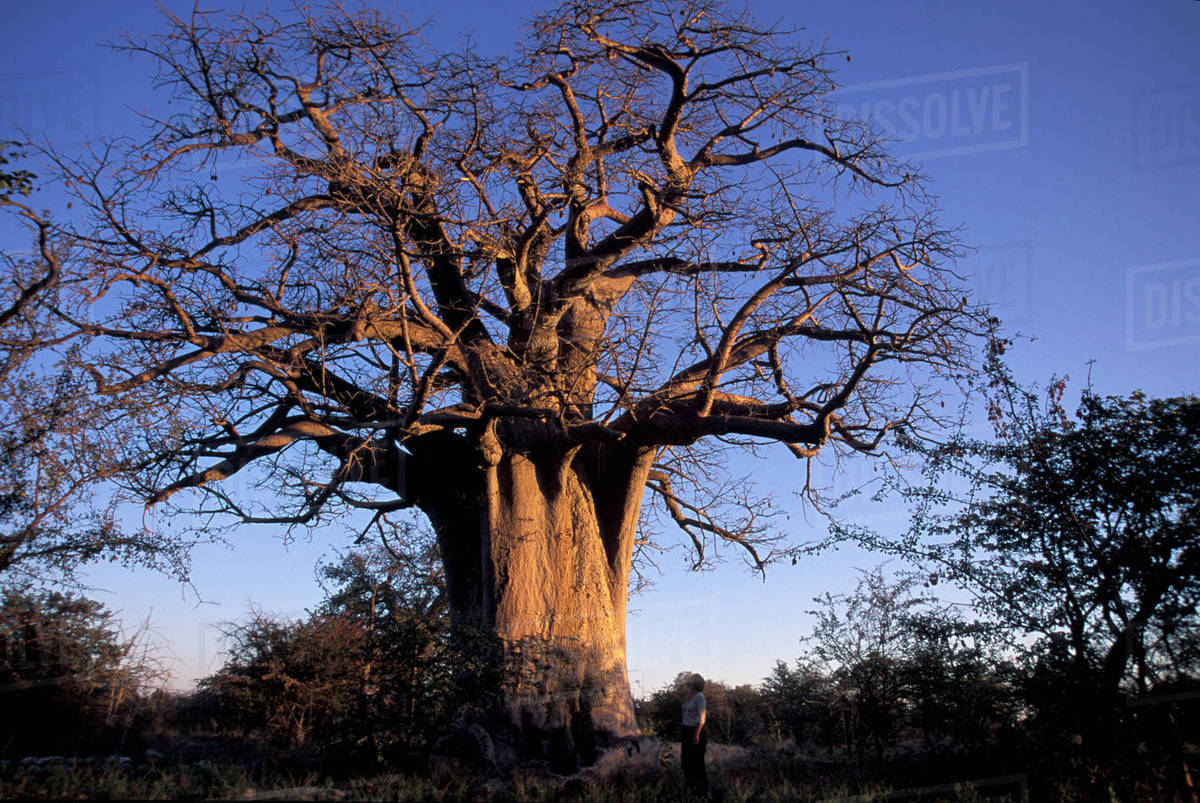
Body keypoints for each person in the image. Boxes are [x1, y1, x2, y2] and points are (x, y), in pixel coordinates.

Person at [680, 672, 708, 796]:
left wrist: (696, 734)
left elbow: (701, 718)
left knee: (697, 762)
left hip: (696, 731)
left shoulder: (700, 697)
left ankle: (702, 792)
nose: (687, 685)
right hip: (686, 730)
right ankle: (689, 789)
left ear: (695, 684)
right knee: (686, 762)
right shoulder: (689, 697)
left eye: (690, 683)